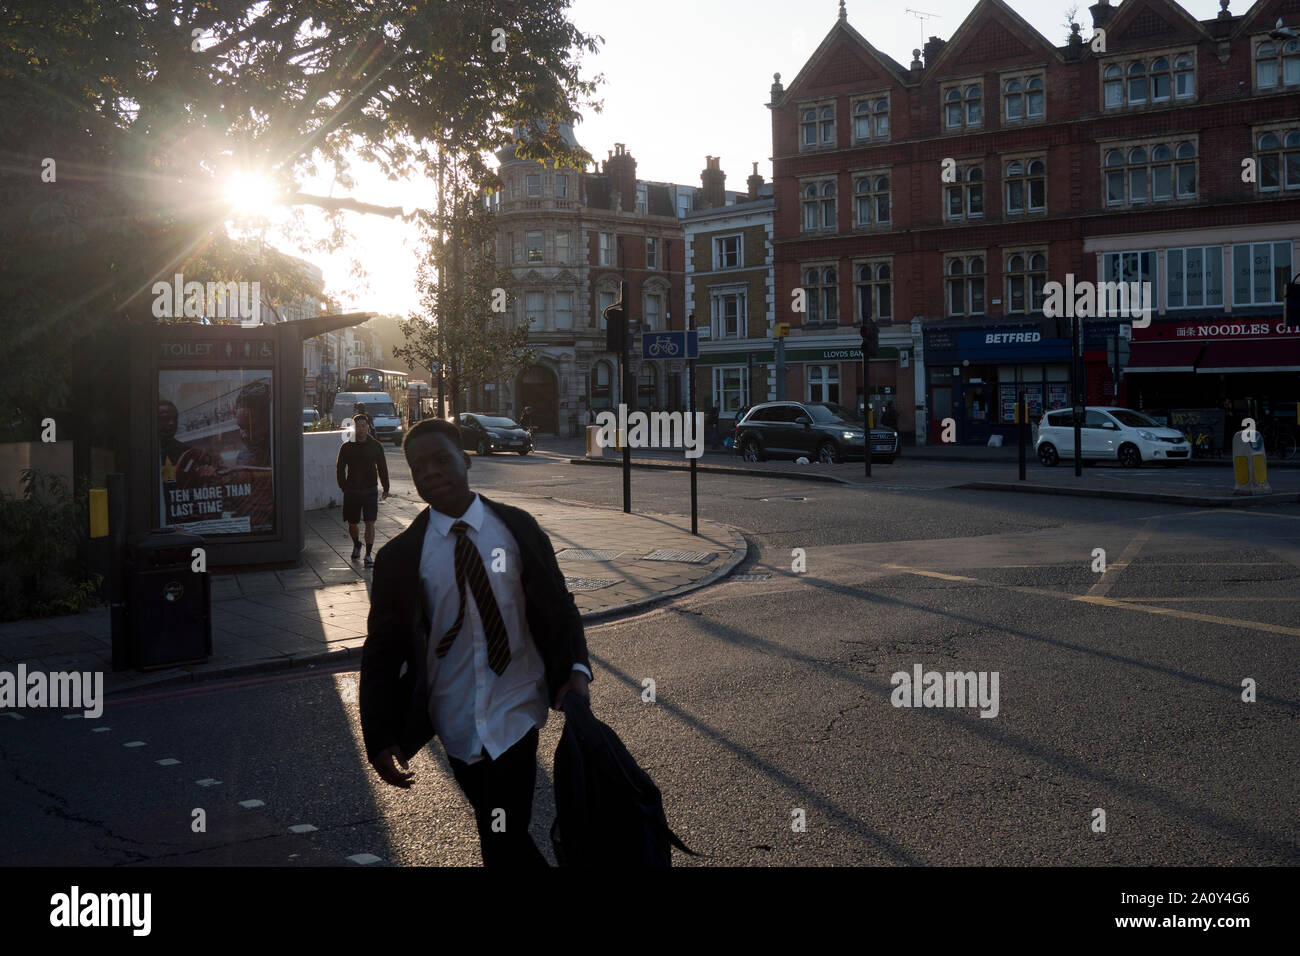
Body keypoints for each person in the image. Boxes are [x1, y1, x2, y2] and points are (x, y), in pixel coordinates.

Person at [360, 418, 593, 867]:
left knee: (500, 831)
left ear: (466, 461)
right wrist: (379, 735)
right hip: (453, 716)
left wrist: (577, 671)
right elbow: (382, 651)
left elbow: (559, 605)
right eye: (418, 466)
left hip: (518, 707)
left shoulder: (517, 530)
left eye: (441, 460)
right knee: (502, 834)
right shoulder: (401, 558)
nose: (430, 472)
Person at [336, 413, 390, 567]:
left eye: (363, 426)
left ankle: (368, 555)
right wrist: (343, 486)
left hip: (370, 490)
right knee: (352, 524)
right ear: (353, 428)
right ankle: (356, 544)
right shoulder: (346, 447)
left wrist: (386, 487)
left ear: (368, 427)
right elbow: (340, 468)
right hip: (352, 491)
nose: (360, 429)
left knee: (370, 522)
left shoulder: (376, 446)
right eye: (357, 426)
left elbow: (382, 468)